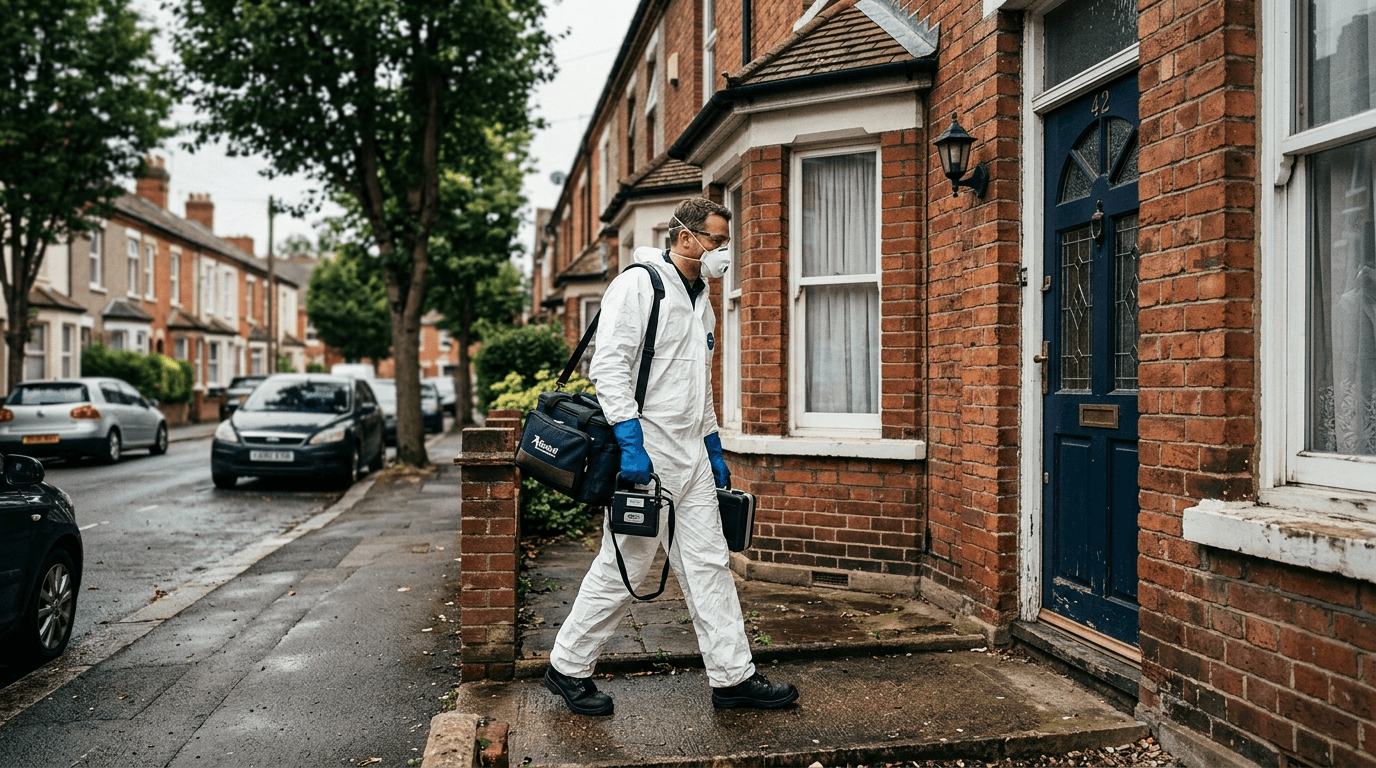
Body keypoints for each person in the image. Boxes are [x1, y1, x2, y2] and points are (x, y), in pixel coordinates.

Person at [544, 197, 799, 716]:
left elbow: (696, 383)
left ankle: (733, 678)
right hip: (648, 453)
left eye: (726, 242)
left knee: (709, 565)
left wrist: (712, 446)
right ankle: (567, 668)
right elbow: (610, 369)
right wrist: (632, 446)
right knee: (627, 568)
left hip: (690, 458)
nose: (724, 252)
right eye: (719, 241)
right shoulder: (638, 285)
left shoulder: (699, 296)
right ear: (687, 238)